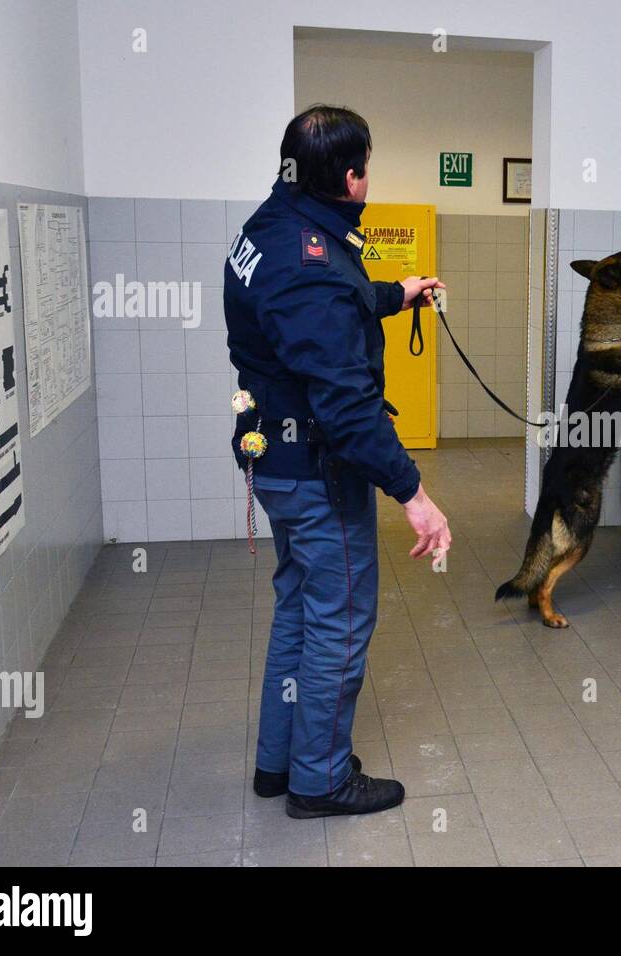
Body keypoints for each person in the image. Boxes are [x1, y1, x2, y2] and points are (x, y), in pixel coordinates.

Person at [224, 105, 451, 819]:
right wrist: (413, 493)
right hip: (317, 471)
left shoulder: (272, 223)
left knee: (299, 605)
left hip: (275, 462)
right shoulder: (307, 259)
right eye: (367, 169)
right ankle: (319, 781)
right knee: (340, 620)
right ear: (351, 176)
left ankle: (278, 763)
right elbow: (347, 404)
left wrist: (396, 293)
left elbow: (321, 312)